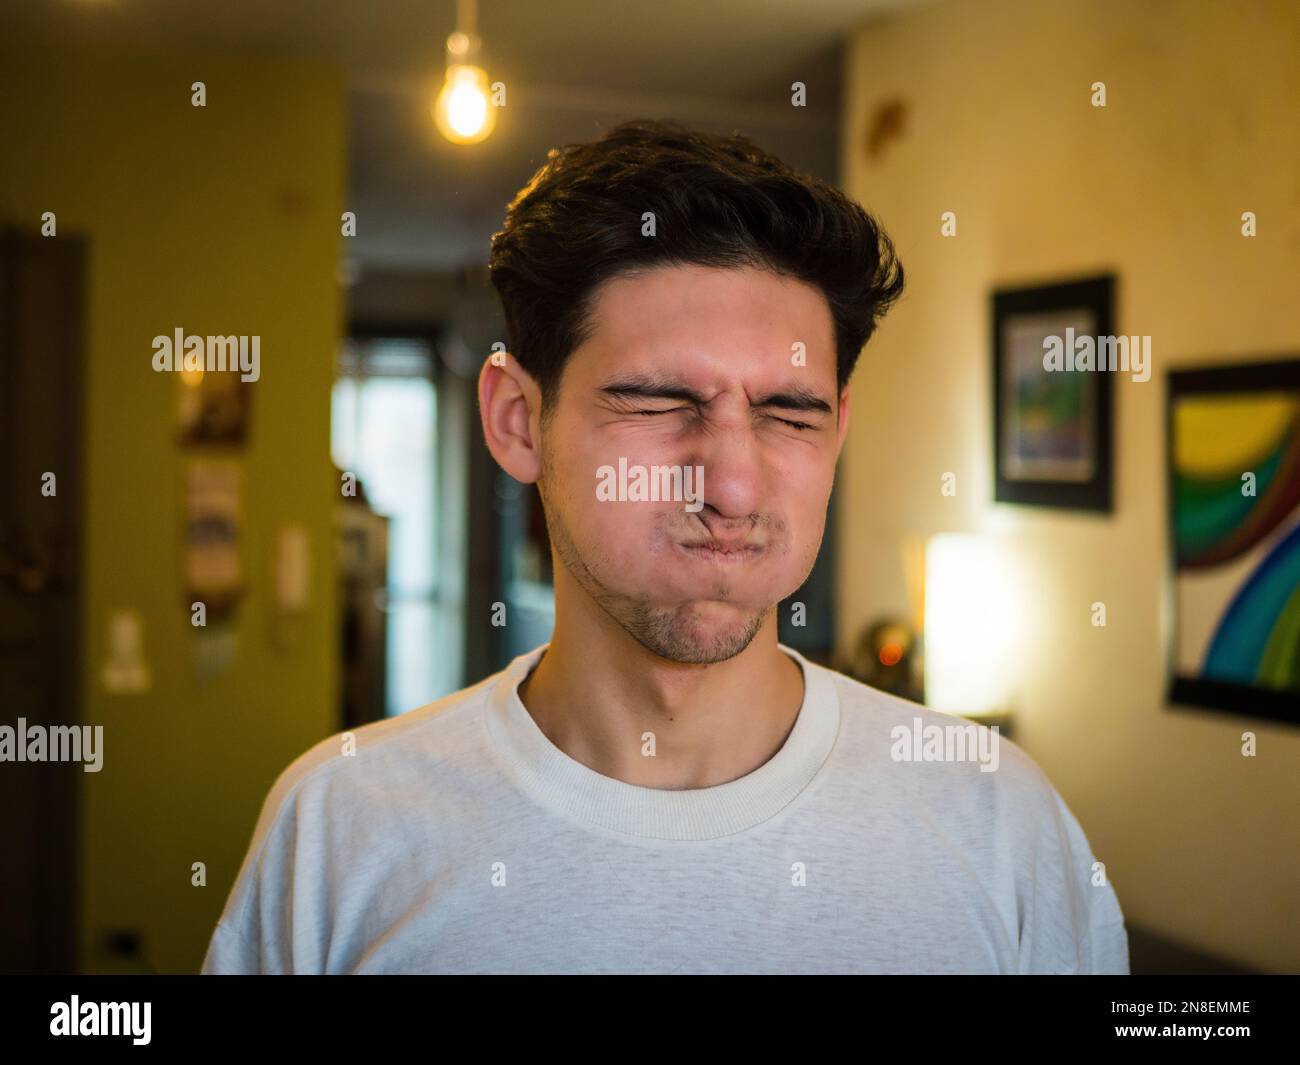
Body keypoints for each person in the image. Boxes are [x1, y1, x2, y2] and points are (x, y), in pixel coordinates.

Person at [201, 119, 1129, 974]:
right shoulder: (340, 829)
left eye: (788, 413)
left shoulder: (1001, 823)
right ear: (519, 421)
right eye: (657, 403)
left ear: (837, 432)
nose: (730, 484)